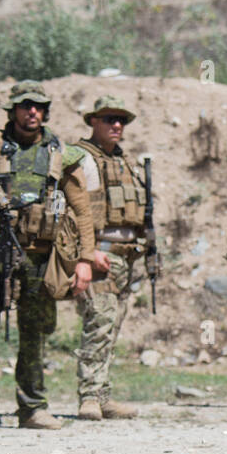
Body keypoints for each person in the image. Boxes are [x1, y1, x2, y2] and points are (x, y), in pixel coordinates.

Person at [0, 81, 94, 430]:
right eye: (25, 105)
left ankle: (33, 407)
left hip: (39, 258)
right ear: (13, 110)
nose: (32, 112)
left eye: (38, 106)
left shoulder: (60, 151)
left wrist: (86, 260)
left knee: (36, 333)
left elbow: (82, 208)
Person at [73, 96, 157, 421]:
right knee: (99, 322)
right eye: (109, 119)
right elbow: (76, 210)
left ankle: (102, 394)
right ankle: (89, 397)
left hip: (127, 256)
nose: (116, 126)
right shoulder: (83, 159)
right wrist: (87, 251)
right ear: (93, 121)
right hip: (100, 254)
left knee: (113, 325)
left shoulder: (126, 163)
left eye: (121, 120)